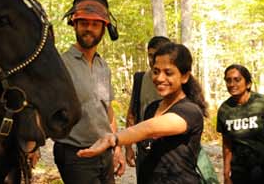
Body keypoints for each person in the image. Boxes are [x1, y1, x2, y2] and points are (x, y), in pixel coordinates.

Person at [79, 43, 207, 184]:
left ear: (184, 76)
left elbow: (150, 129)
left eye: (168, 73)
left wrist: (113, 139)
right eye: (156, 71)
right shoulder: (152, 108)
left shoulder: (190, 111)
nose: (159, 78)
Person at [53, 0, 125, 183]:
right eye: (84, 23)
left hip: (105, 151)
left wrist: (116, 147)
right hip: (76, 154)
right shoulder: (60, 64)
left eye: (95, 24)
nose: (89, 29)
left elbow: (107, 111)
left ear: (104, 29)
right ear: (74, 24)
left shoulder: (103, 66)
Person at [217, 64, 264, 184]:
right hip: (239, 169)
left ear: (248, 83)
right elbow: (227, 142)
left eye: (237, 79)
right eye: (228, 80)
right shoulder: (224, 109)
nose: (232, 84)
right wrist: (226, 173)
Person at [127, 35, 173, 176]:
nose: (153, 60)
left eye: (157, 55)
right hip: (144, 151)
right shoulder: (140, 79)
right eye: (150, 55)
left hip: (170, 152)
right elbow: (132, 115)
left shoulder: (176, 80)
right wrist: (128, 147)